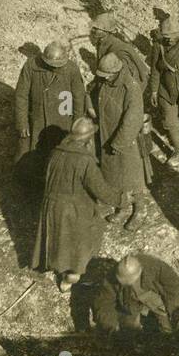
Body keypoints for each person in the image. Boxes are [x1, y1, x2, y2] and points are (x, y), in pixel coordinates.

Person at [32, 118, 122, 292]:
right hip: (72, 209)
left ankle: (59, 266)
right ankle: (72, 277)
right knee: (85, 237)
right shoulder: (85, 161)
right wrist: (121, 199)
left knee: (58, 239)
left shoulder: (55, 153)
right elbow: (100, 190)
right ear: (88, 140)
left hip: (50, 206)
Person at [89, 51, 150, 231]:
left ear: (116, 72)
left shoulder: (130, 87)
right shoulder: (104, 81)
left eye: (106, 75)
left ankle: (140, 209)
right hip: (107, 135)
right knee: (114, 175)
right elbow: (91, 91)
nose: (104, 78)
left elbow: (133, 118)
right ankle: (122, 207)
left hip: (126, 141)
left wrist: (119, 142)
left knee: (133, 177)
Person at [14, 40, 85, 173]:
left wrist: (77, 124)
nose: (53, 67)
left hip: (62, 122)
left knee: (59, 159)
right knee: (30, 157)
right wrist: (22, 123)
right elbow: (21, 96)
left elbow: (79, 99)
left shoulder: (72, 69)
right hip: (36, 120)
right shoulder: (31, 66)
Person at [93, 253, 179, 335]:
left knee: (168, 327)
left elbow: (173, 285)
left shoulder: (152, 265)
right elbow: (104, 304)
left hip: (153, 296)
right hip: (130, 303)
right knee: (129, 330)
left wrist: (175, 309)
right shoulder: (111, 278)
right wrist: (111, 328)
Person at [146, 16, 179, 155]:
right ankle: (178, 150)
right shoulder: (158, 45)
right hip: (166, 90)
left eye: (171, 37)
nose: (168, 40)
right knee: (170, 121)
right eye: (165, 36)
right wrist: (154, 91)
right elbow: (155, 69)